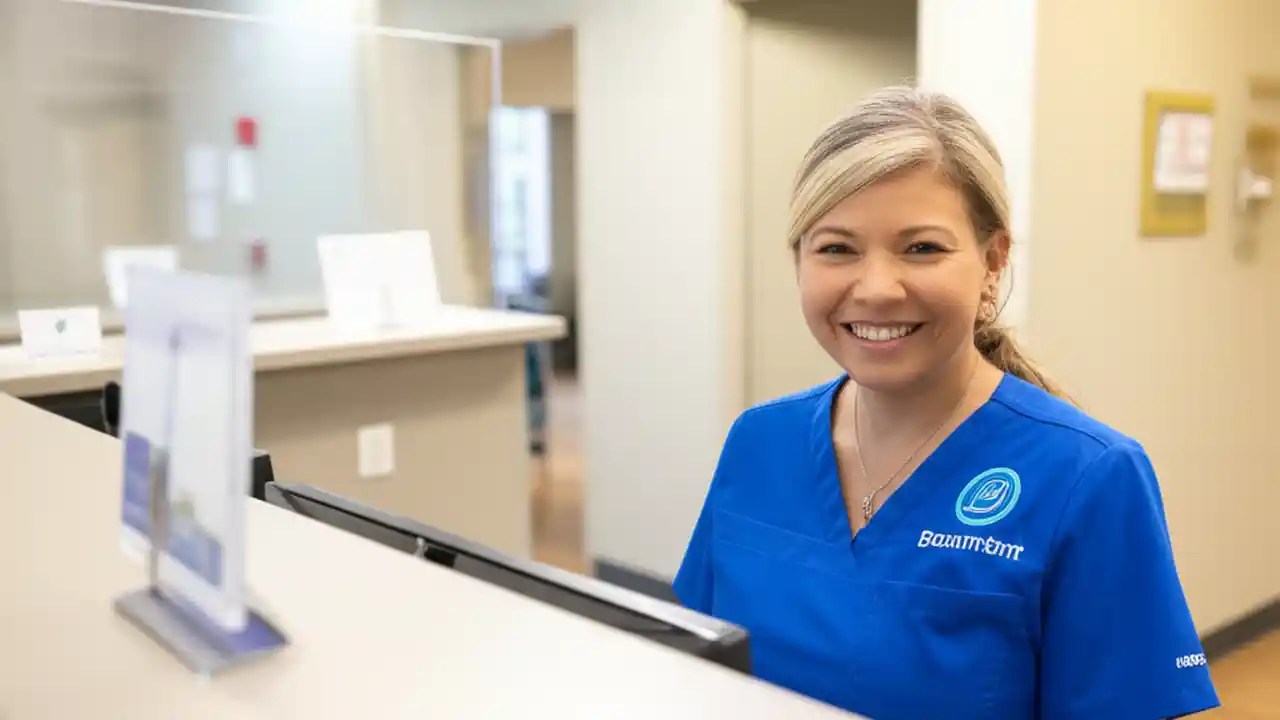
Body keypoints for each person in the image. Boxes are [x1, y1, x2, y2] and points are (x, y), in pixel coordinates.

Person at [672, 86, 1220, 719]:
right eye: (836, 248)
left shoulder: (1088, 477)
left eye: (922, 248)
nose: (876, 288)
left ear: (993, 261)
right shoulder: (759, 442)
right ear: (799, 260)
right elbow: (698, 663)